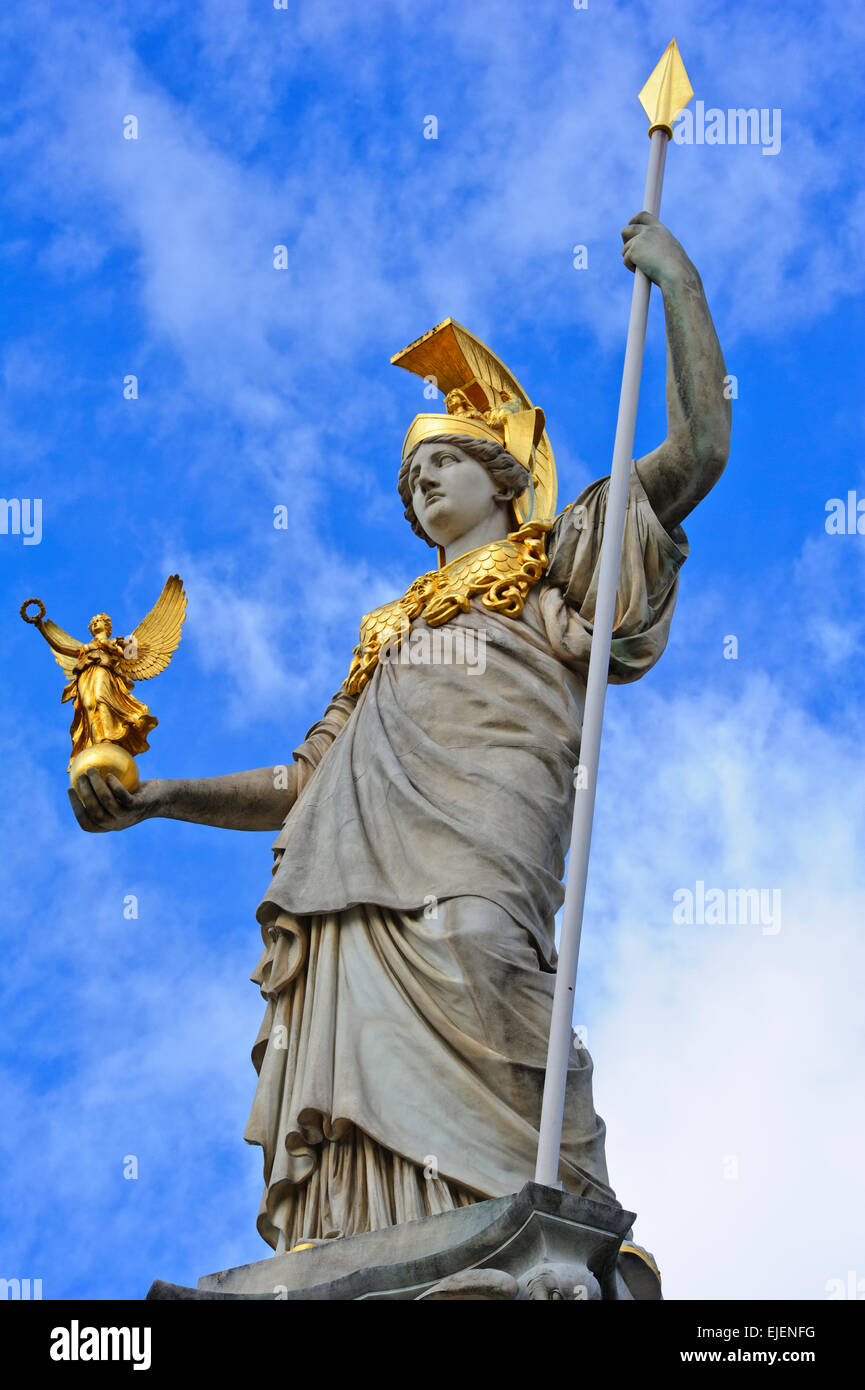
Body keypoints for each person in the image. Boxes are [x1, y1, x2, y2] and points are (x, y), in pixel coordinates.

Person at [68, 212, 730, 1262]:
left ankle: (551, 1222)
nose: (419, 483)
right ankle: (387, 1246)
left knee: (479, 952)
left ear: (504, 476)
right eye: (408, 477)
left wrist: (679, 282)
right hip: (355, 875)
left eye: (441, 463)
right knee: (351, 1048)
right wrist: (157, 797)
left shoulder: (558, 566)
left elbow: (696, 449)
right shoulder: (384, 631)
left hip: (484, 829)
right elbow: (301, 780)